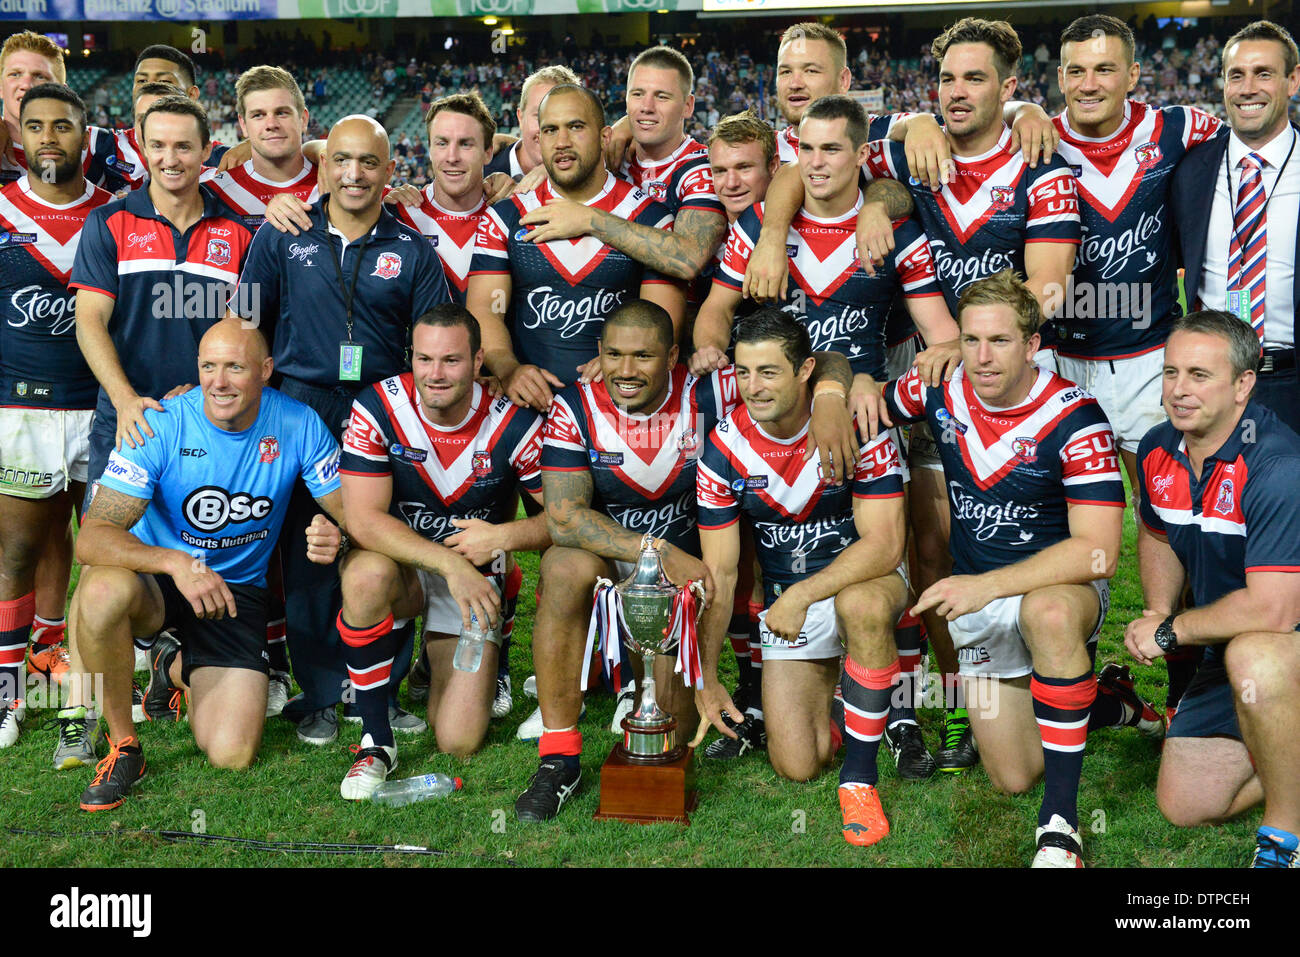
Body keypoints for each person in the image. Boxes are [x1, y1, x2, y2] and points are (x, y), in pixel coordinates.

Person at [513, 300, 858, 821]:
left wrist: (831, 397)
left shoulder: (712, 389)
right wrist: (655, 550)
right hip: (622, 560)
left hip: (695, 577)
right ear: (598, 355)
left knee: (668, 723)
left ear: (674, 356)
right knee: (564, 564)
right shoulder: (574, 406)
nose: (626, 371)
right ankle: (558, 756)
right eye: (614, 355)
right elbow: (562, 517)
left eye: (643, 356)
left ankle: (727, 688)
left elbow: (825, 357)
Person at [872, 270, 1125, 867]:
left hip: (1051, 588)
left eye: (1000, 341)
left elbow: (1099, 552)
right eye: (970, 340)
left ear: (1032, 344)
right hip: (979, 601)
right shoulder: (938, 389)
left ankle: (1060, 826)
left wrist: (986, 585)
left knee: (1051, 610)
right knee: (1012, 774)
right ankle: (1107, 702)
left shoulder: (1075, 415)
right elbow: (873, 401)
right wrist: (842, 393)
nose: (982, 358)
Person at [228, 114, 451, 746]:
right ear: (324, 167)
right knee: (311, 553)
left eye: (369, 163)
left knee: (385, 544)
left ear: (388, 171)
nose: (354, 174)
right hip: (301, 408)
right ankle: (322, 693)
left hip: (383, 410)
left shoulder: (412, 250)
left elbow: (436, 337)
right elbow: (246, 320)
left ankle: (375, 686)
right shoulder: (282, 235)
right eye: (342, 161)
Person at [69, 319, 344, 811]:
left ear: (265, 370)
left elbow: (353, 514)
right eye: (209, 367)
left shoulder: (299, 423)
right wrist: (175, 562)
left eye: (235, 367)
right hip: (159, 581)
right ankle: (123, 746)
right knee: (101, 590)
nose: (219, 382)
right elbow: (91, 539)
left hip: (235, 592)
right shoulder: (159, 422)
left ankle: (169, 667)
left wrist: (339, 537)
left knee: (231, 753)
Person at [1051, 13, 1226, 722]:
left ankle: (1191, 681)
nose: (1089, 83)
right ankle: (1077, 680)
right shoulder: (1033, 134)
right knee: (1059, 532)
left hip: (1152, 358)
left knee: (1176, 520)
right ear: (1056, 78)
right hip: (1060, 360)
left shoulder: (1180, 128)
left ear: (1132, 74)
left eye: (1104, 68)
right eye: (1074, 70)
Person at [695, 308, 908, 847]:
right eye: (743, 372)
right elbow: (719, 571)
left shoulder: (857, 422)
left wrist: (804, 594)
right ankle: (854, 698)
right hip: (791, 605)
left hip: (866, 579)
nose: (752, 387)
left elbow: (884, 546)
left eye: (768, 372)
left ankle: (859, 778)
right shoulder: (722, 448)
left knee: (860, 605)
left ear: (805, 370)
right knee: (796, 763)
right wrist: (706, 675)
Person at [336, 305, 547, 797]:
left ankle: (452, 650)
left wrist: (502, 539)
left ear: (478, 362)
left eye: (451, 361)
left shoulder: (514, 422)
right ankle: (376, 740)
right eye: (424, 358)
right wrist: (447, 563)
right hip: (409, 567)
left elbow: (560, 520)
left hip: (476, 573)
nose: (434, 374)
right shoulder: (377, 407)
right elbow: (364, 520)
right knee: (364, 574)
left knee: (458, 740)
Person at [1126, 309, 1300, 868]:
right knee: (1187, 803)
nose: (1178, 390)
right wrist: (1156, 606)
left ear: (1244, 383)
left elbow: (1273, 610)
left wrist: (1173, 630)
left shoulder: (1277, 464)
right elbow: (1155, 533)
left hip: (1280, 634)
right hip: (1231, 642)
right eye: (1171, 372)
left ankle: (1284, 840)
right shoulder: (1158, 449)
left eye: (1199, 375)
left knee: (1255, 656)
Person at [0, 83, 113, 758]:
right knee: (15, 553)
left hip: (101, 409)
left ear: (83, 135)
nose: (49, 137)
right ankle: (9, 689)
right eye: (35, 125)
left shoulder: (117, 212)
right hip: (20, 407)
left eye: (63, 126)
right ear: (19, 135)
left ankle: (78, 686)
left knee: (97, 554)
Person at [71, 95, 254, 511]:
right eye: (158, 145)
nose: (169, 159)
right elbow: (89, 322)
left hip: (210, 418)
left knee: (198, 558)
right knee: (109, 558)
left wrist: (203, 393)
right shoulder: (106, 223)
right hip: (125, 420)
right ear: (142, 146)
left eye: (183, 147)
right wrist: (124, 400)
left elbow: (246, 331)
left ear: (207, 150)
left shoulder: (242, 233)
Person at [466, 85, 684, 414]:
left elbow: (662, 321)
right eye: (550, 130)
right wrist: (509, 370)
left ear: (604, 136)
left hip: (619, 406)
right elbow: (485, 310)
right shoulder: (504, 218)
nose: (562, 141)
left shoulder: (649, 219)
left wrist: (618, 365)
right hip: (528, 410)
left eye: (576, 127)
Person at [1171, 20, 1300, 435]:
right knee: (1209, 499)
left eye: (1264, 73)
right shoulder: (1191, 169)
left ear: (1292, 80)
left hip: (1290, 378)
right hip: (1211, 381)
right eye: (1236, 75)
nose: (1248, 88)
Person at [515, 47, 728, 286]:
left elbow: (687, 259)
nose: (646, 106)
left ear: (688, 106)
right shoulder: (613, 152)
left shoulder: (703, 170)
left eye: (662, 96)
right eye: (637, 94)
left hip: (686, 313)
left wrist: (590, 220)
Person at [202, 66, 319, 231]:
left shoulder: (331, 182)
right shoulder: (214, 192)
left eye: (282, 113)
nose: (271, 124)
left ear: (303, 119)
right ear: (243, 125)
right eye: (258, 115)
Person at [0, 32, 122, 190]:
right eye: (15, 74)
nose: (26, 84)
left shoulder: (98, 144)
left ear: (62, 91)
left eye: (40, 76)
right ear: (1, 87)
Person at [484, 66, 580, 180]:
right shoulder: (478, 173)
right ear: (520, 118)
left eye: (568, 120)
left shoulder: (591, 176)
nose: (550, 128)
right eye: (539, 115)